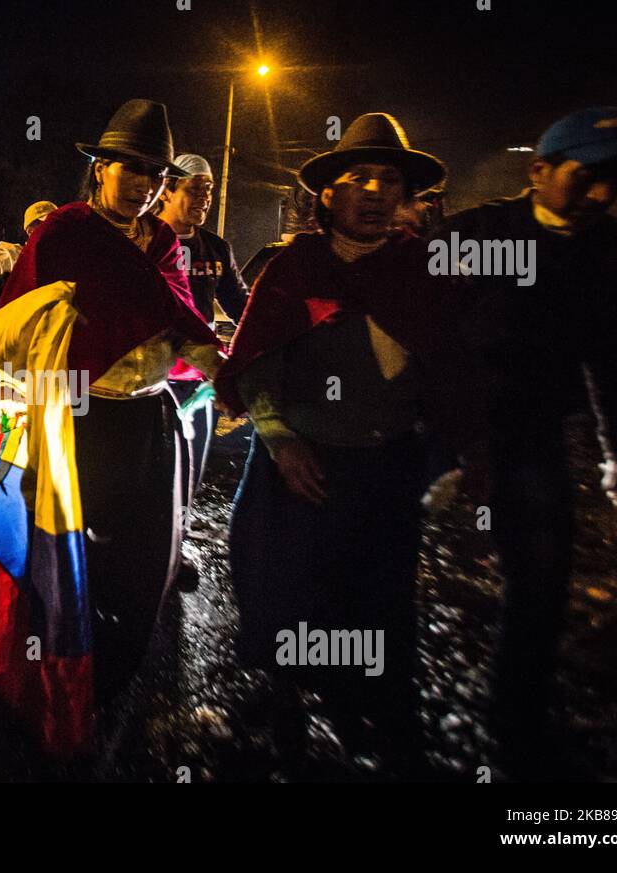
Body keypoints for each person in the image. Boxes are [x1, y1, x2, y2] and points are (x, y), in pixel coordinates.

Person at [216, 113, 482, 774]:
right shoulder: (293, 268)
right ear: (327, 193)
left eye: (388, 179)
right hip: (298, 468)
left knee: (378, 601)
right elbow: (256, 367)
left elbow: (448, 374)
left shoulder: (423, 272)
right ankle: (287, 708)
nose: (373, 189)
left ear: (406, 195)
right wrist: (280, 442)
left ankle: (374, 717)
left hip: (387, 471)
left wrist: (458, 455)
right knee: (288, 593)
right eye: (356, 176)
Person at [444, 107, 617, 779]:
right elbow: (412, 326)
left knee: (542, 579)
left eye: (615, 179)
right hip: (442, 425)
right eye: (587, 175)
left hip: (531, 436)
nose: (602, 194)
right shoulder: (477, 235)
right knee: (378, 553)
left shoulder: (616, 256)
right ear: (538, 170)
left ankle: (514, 718)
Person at [0, 99, 223, 705]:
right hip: (78, 413)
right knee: (71, 553)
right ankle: (63, 683)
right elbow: (21, 325)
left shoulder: (165, 243)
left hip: (150, 416)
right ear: (99, 168)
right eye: (130, 169)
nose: (144, 187)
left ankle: (114, 686)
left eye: (155, 175)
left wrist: (223, 373)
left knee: (147, 564)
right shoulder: (66, 233)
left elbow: (179, 317)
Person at [154, 153, 249, 591]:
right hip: (155, 382)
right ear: (167, 191)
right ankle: (149, 554)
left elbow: (242, 305)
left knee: (190, 473)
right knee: (156, 472)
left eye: (209, 192)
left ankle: (176, 552)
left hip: (200, 384)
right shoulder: (149, 242)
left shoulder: (217, 249)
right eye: (195, 190)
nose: (203, 200)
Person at [0, 200, 57, 314]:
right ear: (30, 230)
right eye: (47, 225)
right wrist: (12, 280)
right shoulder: (8, 255)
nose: (54, 231)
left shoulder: (57, 260)